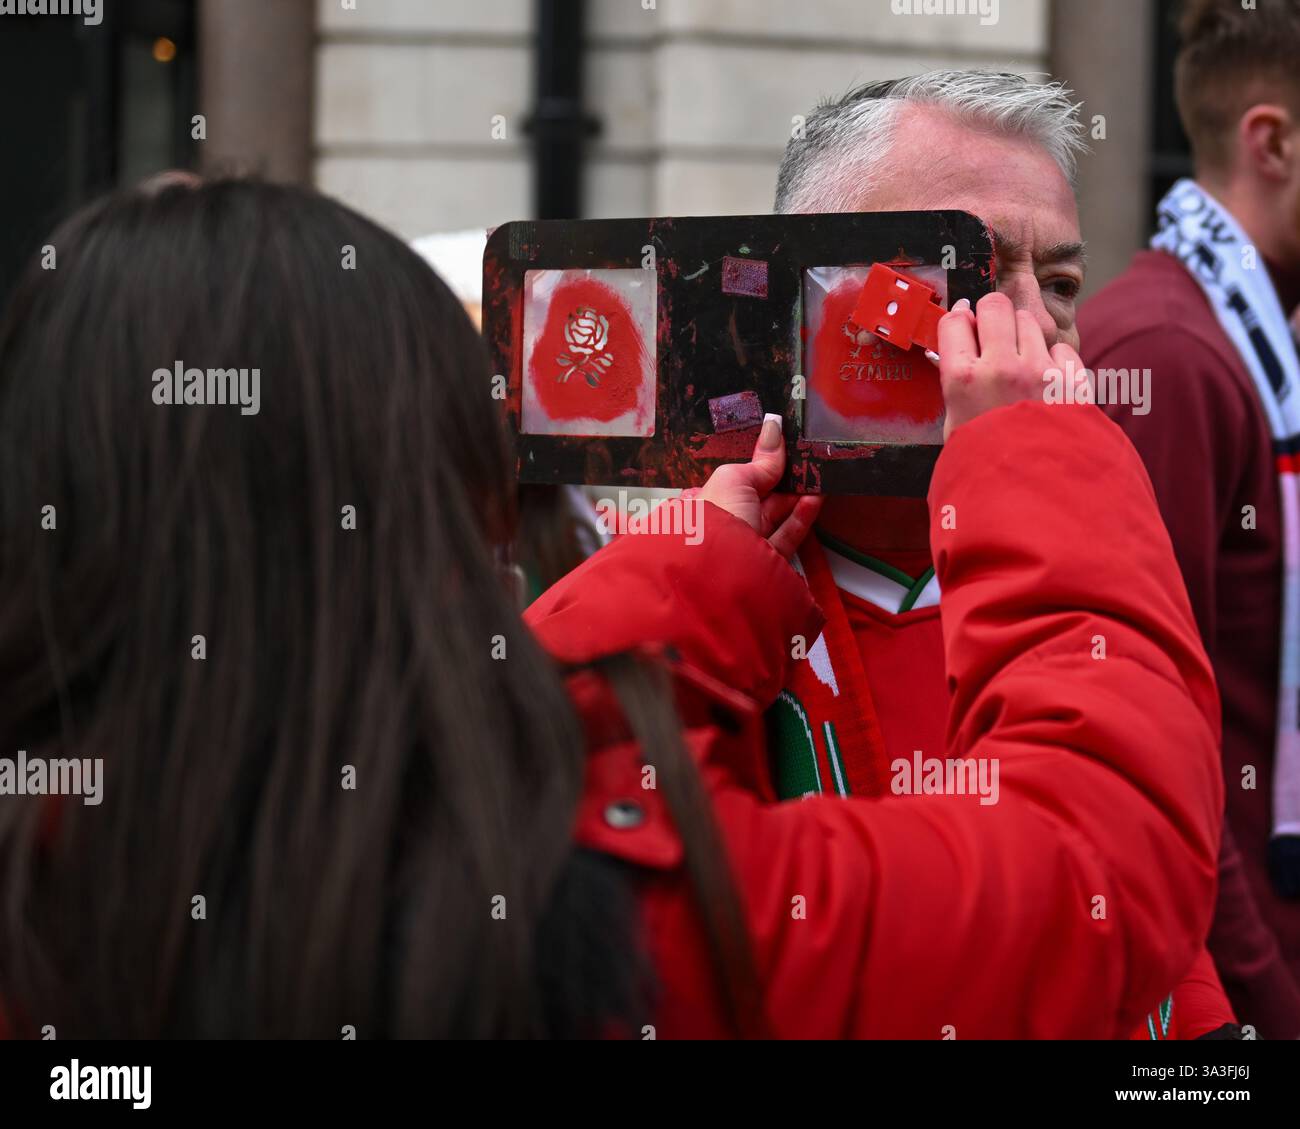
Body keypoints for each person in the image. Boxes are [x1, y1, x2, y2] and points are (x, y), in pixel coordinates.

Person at [0, 177, 1216, 1038]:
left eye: (1052, 280)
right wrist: (1044, 464)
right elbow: (1091, 875)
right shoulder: (608, 908)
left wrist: (697, 571)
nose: (1019, 321)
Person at [771, 70, 1237, 1038]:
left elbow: (1169, 960)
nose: (1030, 327)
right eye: (968, 279)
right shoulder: (695, 616)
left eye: (1059, 284)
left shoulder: (1103, 570)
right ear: (810, 296)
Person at [1079, 0, 1300, 1040]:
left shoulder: (1233, 344)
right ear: (1274, 143)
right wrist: (1264, 1006)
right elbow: (1160, 751)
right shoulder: (1167, 358)